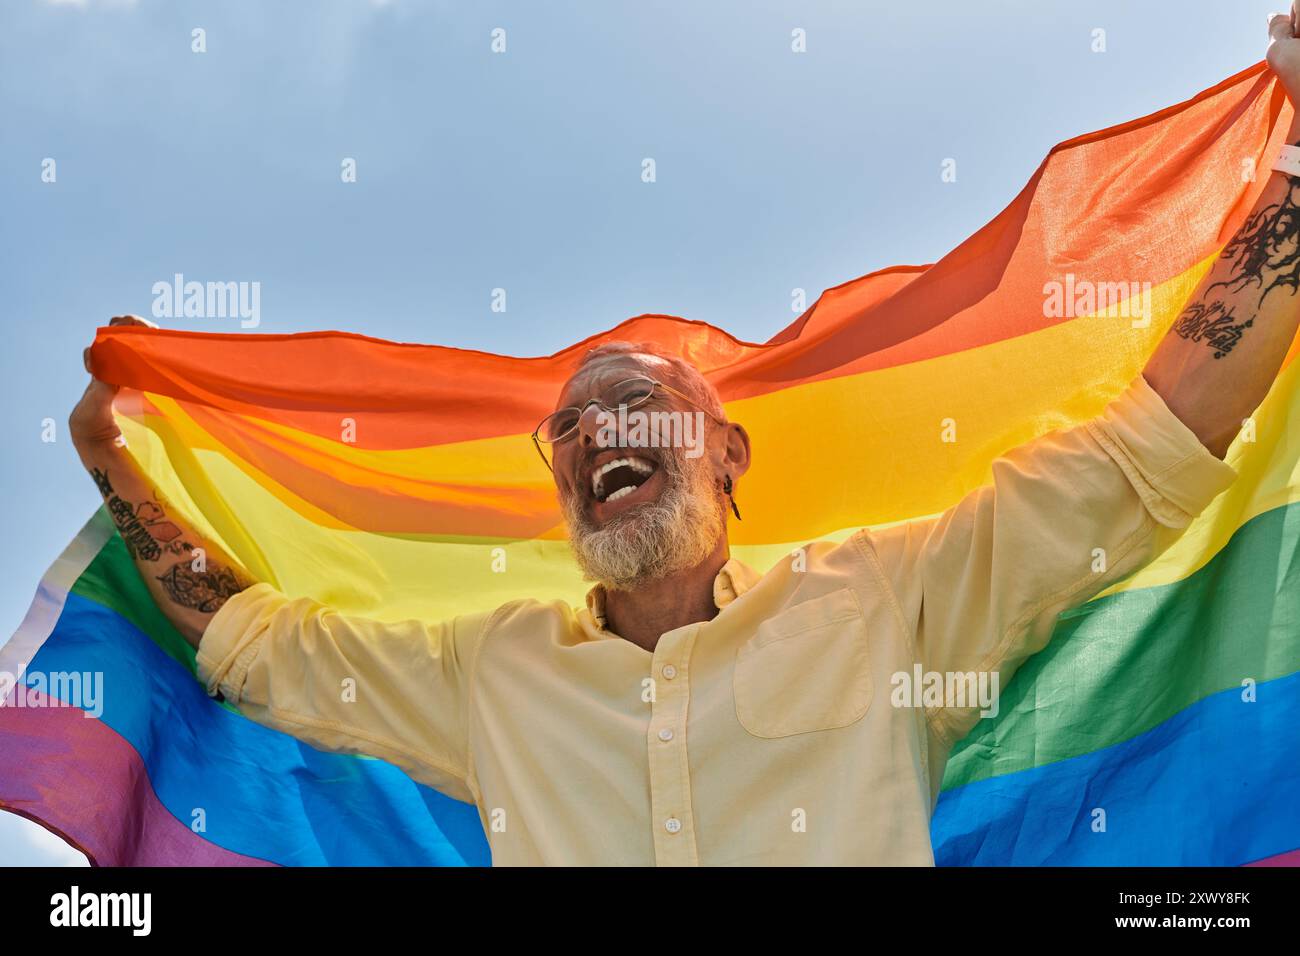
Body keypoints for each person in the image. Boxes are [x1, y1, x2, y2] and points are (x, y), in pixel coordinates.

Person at [68, 14, 1300, 866]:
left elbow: (1150, 442)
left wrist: (1292, 177)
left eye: (636, 402)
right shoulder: (488, 676)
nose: (595, 428)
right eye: (570, 427)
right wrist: (114, 463)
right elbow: (254, 645)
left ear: (728, 453)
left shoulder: (885, 604)